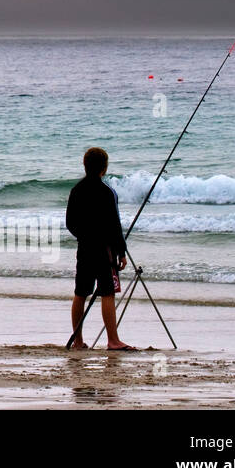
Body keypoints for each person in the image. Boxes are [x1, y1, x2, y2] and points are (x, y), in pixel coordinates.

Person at [65, 146, 135, 350]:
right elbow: (114, 225)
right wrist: (121, 252)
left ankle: (78, 341)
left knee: (80, 293)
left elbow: (70, 223)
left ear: (85, 166)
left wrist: (84, 237)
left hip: (85, 248)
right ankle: (113, 340)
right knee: (107, 292)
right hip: (104, 250)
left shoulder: (76, 190)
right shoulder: (107, 192)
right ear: (104, 168)